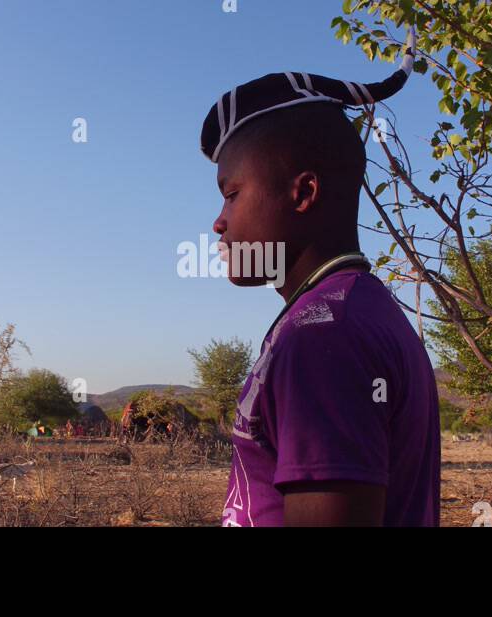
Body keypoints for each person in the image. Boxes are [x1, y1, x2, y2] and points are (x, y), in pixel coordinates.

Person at [200, 29, 439, 526]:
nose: (219, 222)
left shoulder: (322, 337)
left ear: (303, 192)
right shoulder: (357, 311)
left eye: (232, 193)